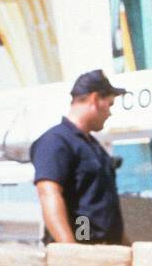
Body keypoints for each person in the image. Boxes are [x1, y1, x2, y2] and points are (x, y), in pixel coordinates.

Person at [30, 69, 127, 245]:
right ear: (95, 99)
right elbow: (48, 193)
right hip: (83, 246)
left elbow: (103, 206)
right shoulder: (56, 141)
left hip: (108, 253)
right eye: (110, 105)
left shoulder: (94, 147)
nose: (110, 113)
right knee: (84, 231)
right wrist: (72, 252)